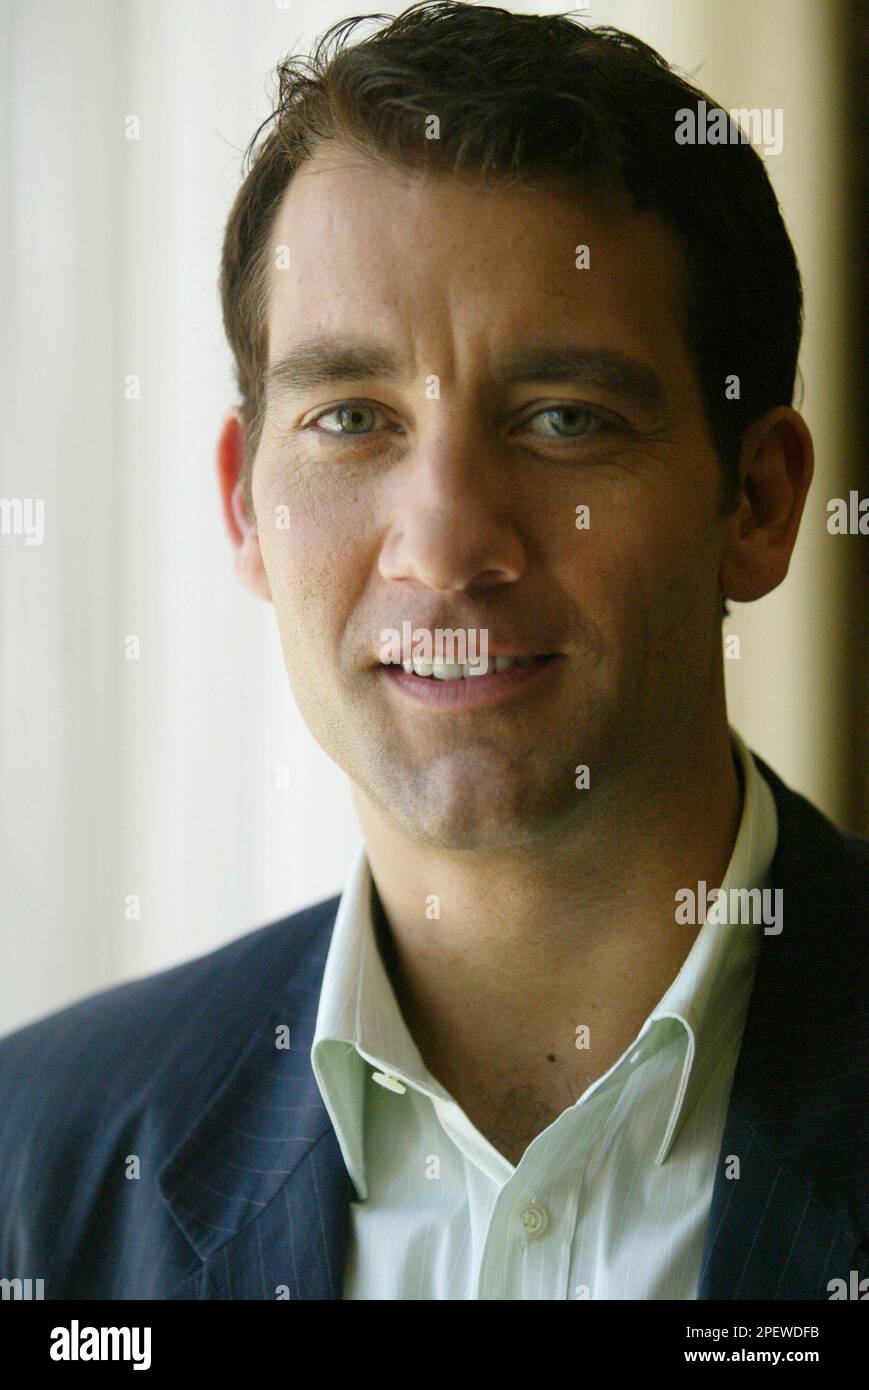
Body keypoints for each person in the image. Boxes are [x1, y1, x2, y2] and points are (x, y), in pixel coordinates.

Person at [1, 1, 866, 1302]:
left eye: (564, 418)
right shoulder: (35, 1159)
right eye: (352, 416)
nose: (445, 543)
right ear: (245, 508)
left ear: (754, 501)